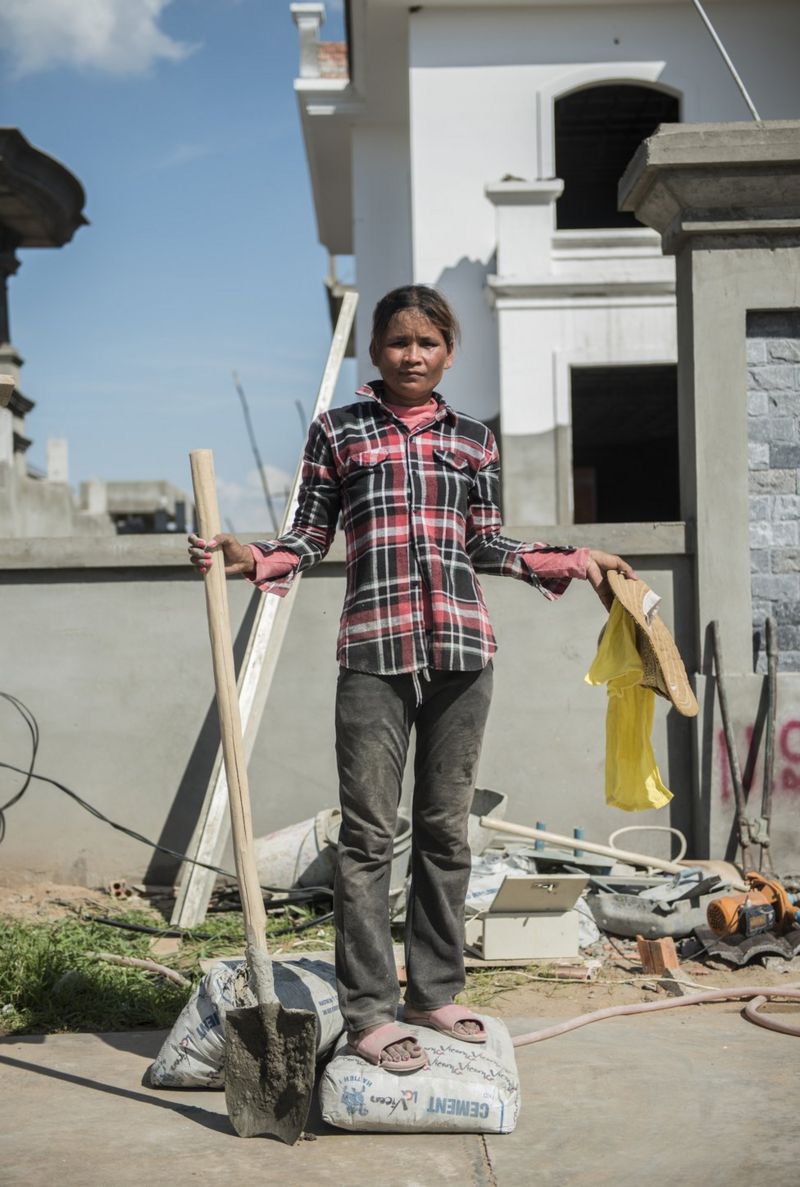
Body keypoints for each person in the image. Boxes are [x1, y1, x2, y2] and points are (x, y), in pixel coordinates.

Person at [188, 285, 635, 1073]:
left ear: (449, 353)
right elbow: (310, 534)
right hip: (373, 652)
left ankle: (433, 992)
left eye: (428, 343)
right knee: (366, 836)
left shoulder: (473, 440)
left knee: (444, 829)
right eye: (399, 342)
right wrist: (248, 556)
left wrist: (574, 560)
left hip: (463, 652)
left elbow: (487, 541)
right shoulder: (338, 431)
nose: (413, 355)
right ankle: (369, 1010)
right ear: (376, 351)